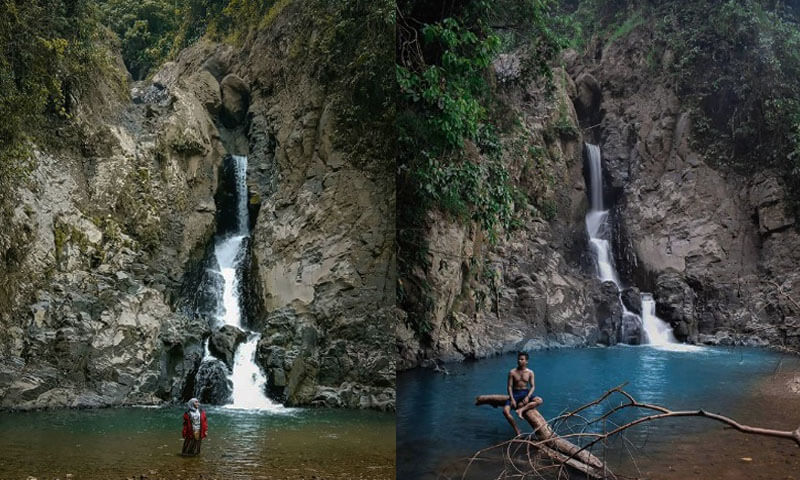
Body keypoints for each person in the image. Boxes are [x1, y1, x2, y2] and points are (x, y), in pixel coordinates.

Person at [502, 352, 543, 436]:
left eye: (522, 359)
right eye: (518, 359)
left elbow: (533, 386)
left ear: (526, 361)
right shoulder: (512, 372)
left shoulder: (530, 372)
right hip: (515, 393)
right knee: (505, 411)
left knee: (539, 400)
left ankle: (521, 410)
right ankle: (517, 430)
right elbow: (509, 387)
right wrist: (512, 399)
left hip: (525, 392)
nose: (519, 361)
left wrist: (528, 396)